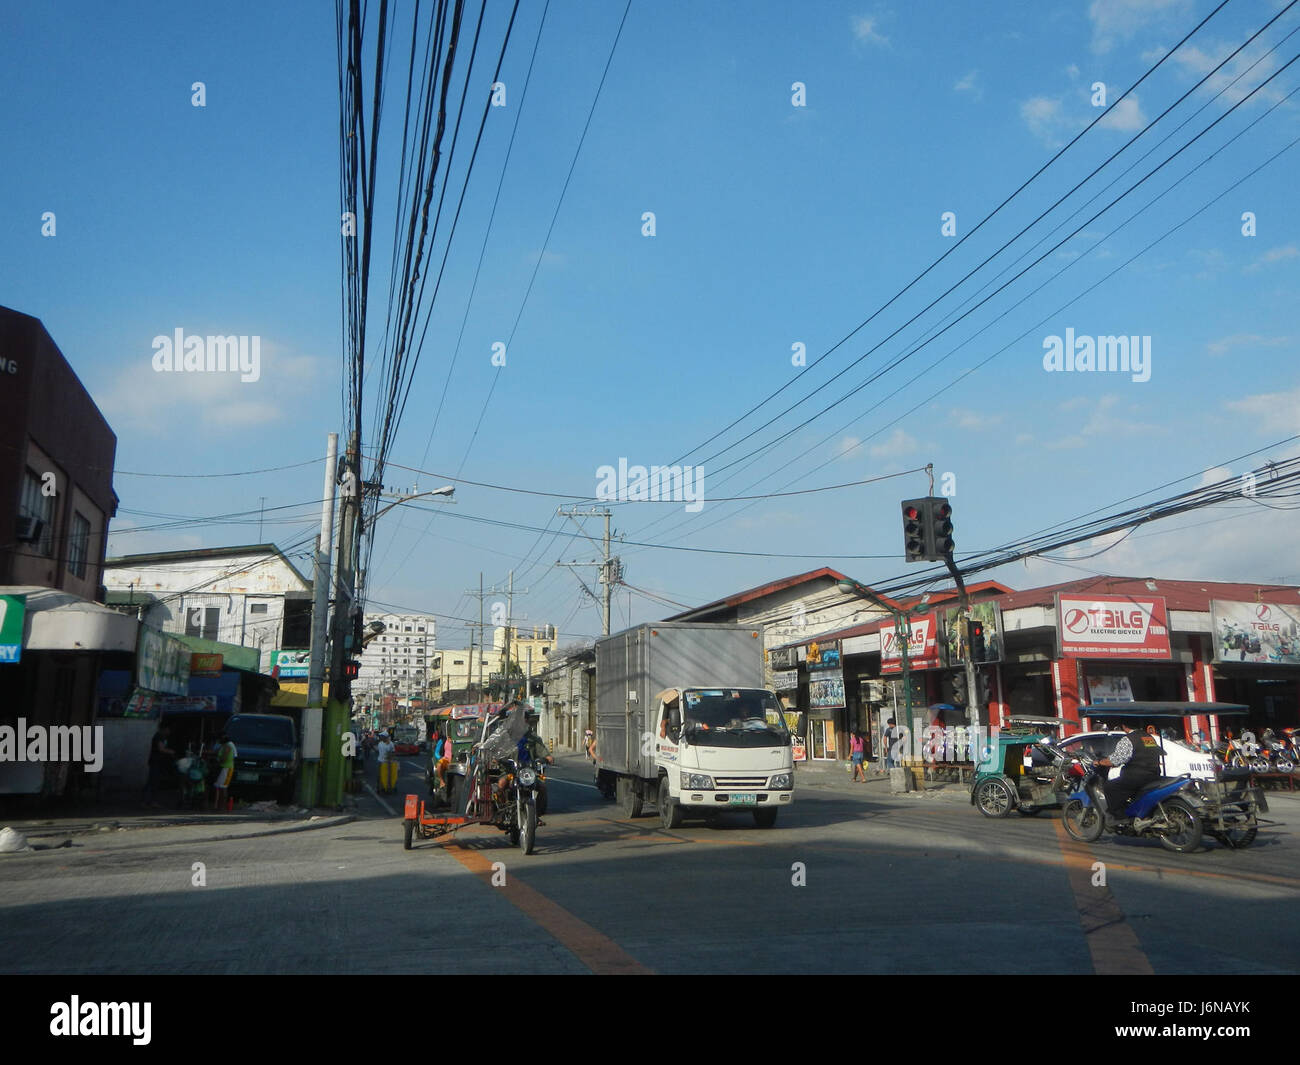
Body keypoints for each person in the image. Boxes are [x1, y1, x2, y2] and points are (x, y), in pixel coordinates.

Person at [1097, 722, 1162, 826]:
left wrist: (1099, 762)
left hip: (1136, 776)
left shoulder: (1128, 739)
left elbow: (1116, 760)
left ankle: (1119, 817)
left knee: (1110, 787)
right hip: (1154, 774)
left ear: (1124, 726)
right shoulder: (1148, 737)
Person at [143, 723, 177, 807]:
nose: (169, 732)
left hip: (159, 762)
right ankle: (148, 801)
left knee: (154, 781)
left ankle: (148, 800)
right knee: (153, 781)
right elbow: (161, 749)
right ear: (164, 729)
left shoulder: (162, 737)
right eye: (168, 730)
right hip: (156, 762)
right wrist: (171, 752)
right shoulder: (159, 736)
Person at [211, 732, 237, 812]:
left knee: (223, 787)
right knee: (219, 786)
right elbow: (217, 752)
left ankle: (222, 807)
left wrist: (217, 760)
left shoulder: (228, 746)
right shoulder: (224, 745)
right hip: (223, 768)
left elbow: (224, 758)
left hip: (227, 768)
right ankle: (218, 806)